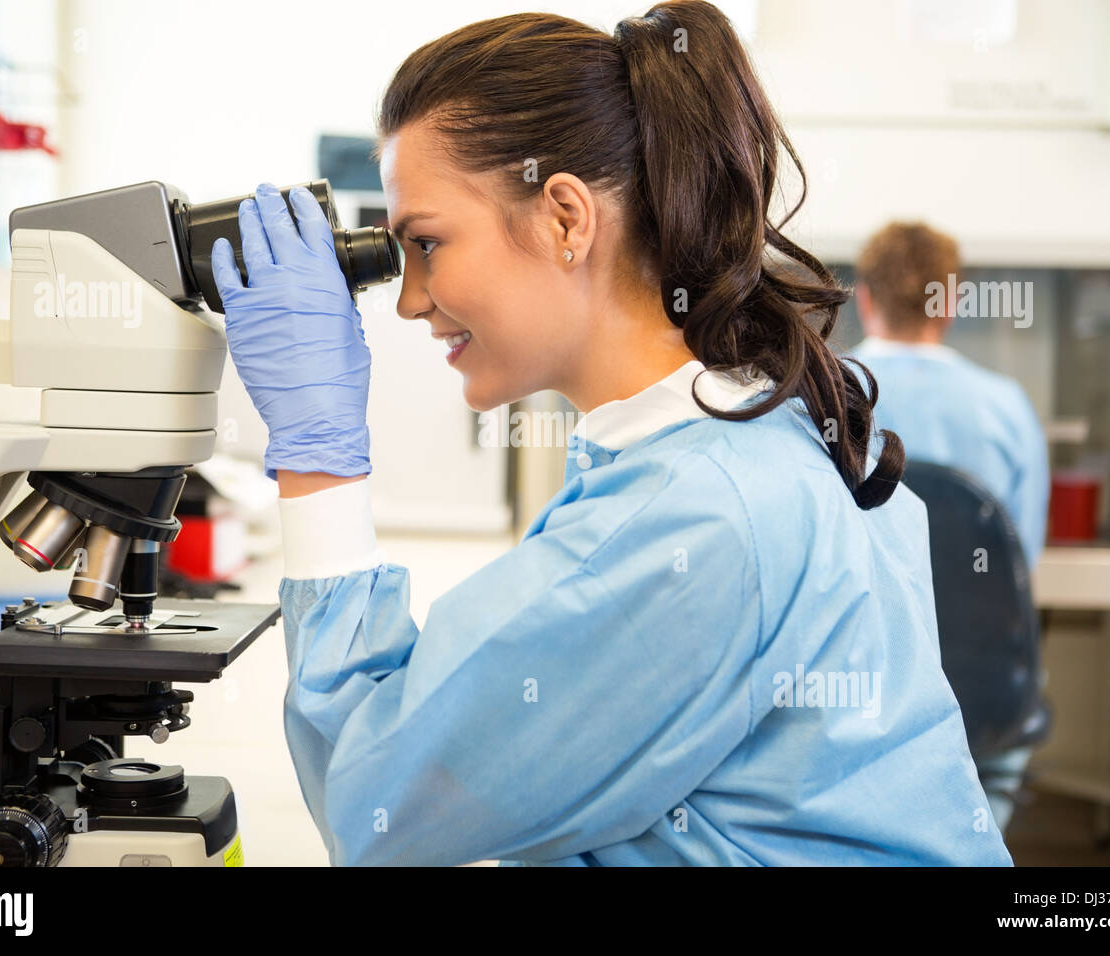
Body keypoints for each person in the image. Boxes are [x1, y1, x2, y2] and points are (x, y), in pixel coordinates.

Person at [211, 2, 1011, 866]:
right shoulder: (735, 438)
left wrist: (318, 465)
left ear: (565, 218)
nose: (408, 298)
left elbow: (378, 804)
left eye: (427, 243)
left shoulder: (698, 517)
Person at [850, 221, 1051, 832]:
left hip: (859, 691)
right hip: (980, 693)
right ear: (954, 302)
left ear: (864, 298)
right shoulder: (1005, 406)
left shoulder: (819, 397)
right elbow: (1024, 563)